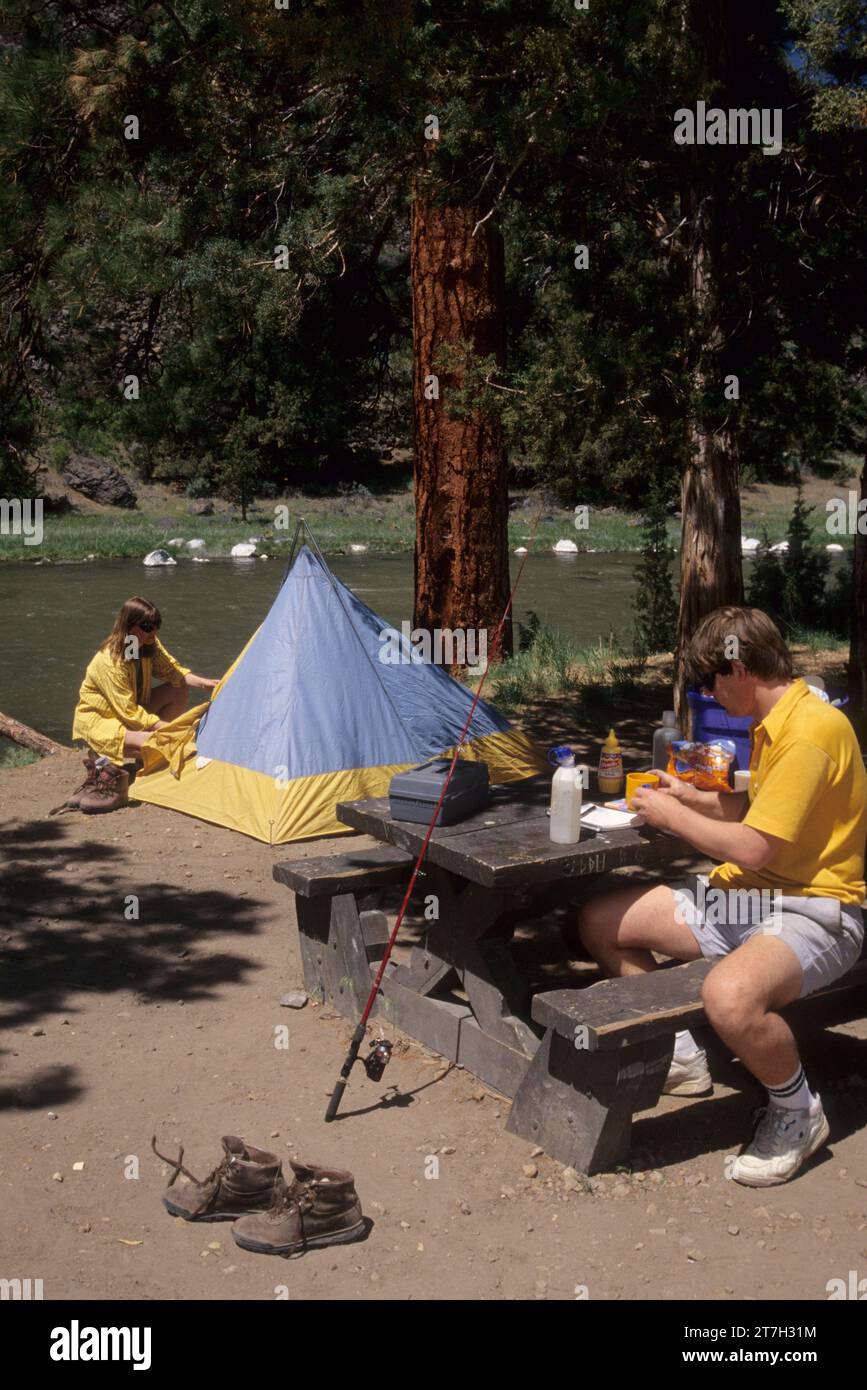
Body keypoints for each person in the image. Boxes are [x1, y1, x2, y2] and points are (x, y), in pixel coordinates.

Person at [578, 606, 867, 1186]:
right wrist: (687, 796)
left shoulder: (809, 732)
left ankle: (796, 1109)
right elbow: (755, 810)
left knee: (729, 997)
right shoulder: (776, 721)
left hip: (817, 910)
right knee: (603, 920)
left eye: (710, 679)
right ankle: (681, 1053)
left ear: (739, 669)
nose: (707, 691)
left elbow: (754, 846)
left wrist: (671, 817)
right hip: (750, 899)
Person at [69, 596, 218, 813]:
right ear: (129, 626)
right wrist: (169, 730)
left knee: (178, 688)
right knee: (156, 741)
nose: (153, 632)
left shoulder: (146, 644)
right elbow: (130, 714)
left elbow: (173, 672)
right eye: (147, 627)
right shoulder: (110, 661)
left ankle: (141, 761)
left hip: (131, 711)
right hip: (102, 721)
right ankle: (112, 775)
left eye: (156, 625)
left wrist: (206, 683)